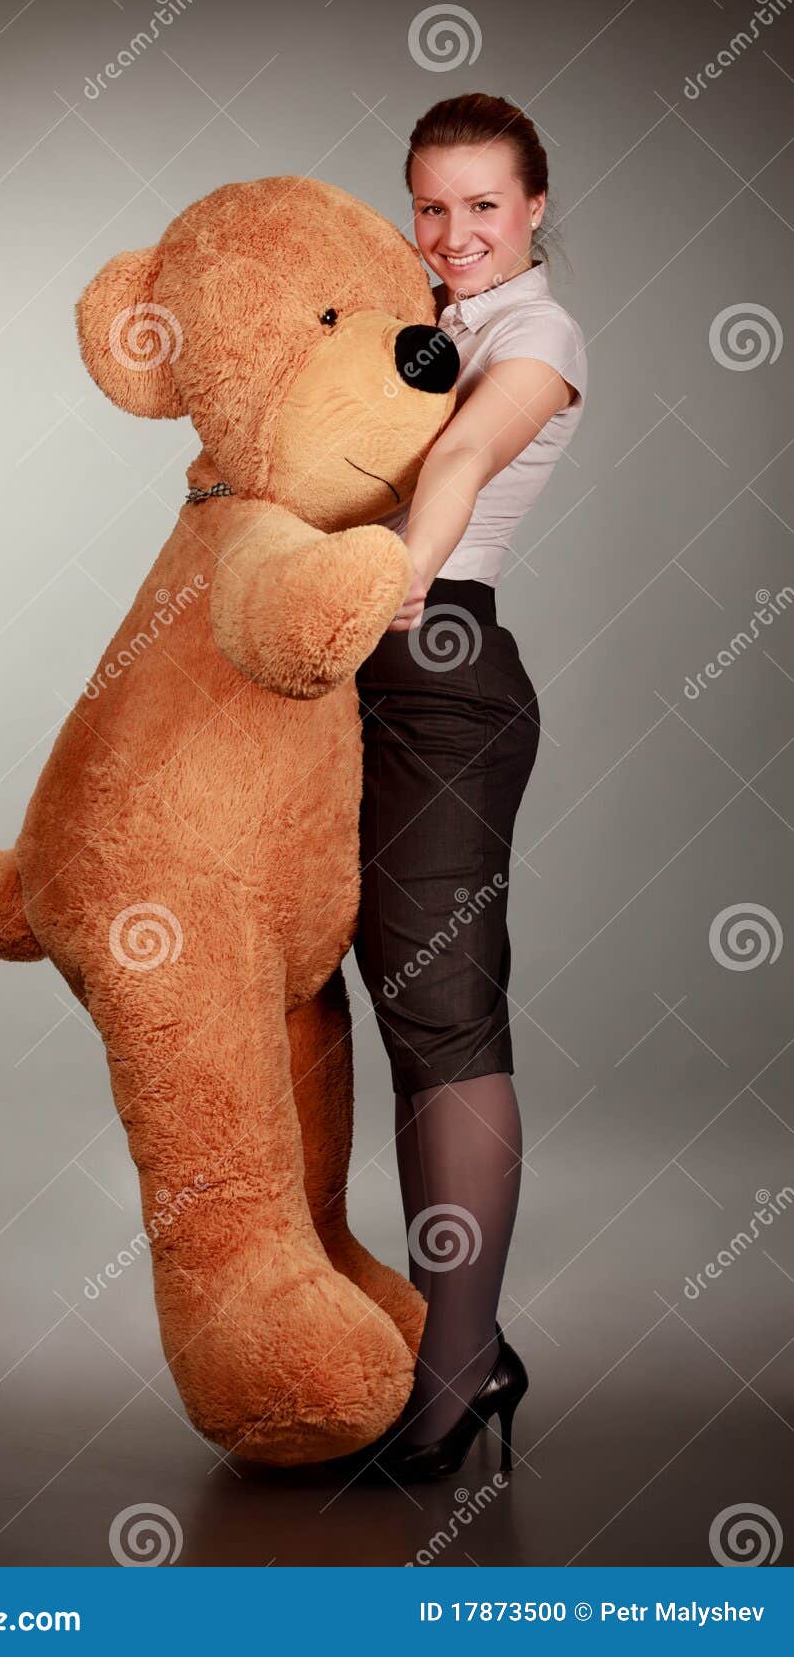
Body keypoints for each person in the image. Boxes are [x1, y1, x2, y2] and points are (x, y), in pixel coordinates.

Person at [350, 92, 588, 1482]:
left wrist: (396, 576)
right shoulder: (410, 316)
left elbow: (460, 455)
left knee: (438, 1002)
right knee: (382, 1000)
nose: (454, 237)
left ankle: (459, 1377)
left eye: (483, 206)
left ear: (535, 206)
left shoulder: (537, 333)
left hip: (442, 670)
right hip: (347, 676)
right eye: (429, 206)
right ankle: (426, 1336)